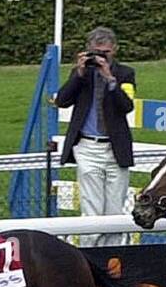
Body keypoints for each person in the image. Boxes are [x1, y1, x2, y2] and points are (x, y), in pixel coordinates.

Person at [54, 26, 136, 247]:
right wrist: (79, 74)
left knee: (115, 211)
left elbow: (127, 106)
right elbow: (61, 101)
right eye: (96, 52)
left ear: (115, 50)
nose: (101, 57)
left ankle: (115, 259)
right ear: (88, 50)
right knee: (92, 209)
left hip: (115, 149)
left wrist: (110, 79)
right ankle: (90, 256)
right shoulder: (80, 74)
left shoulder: (125, 74)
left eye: (105, 52)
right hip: (88, 148)